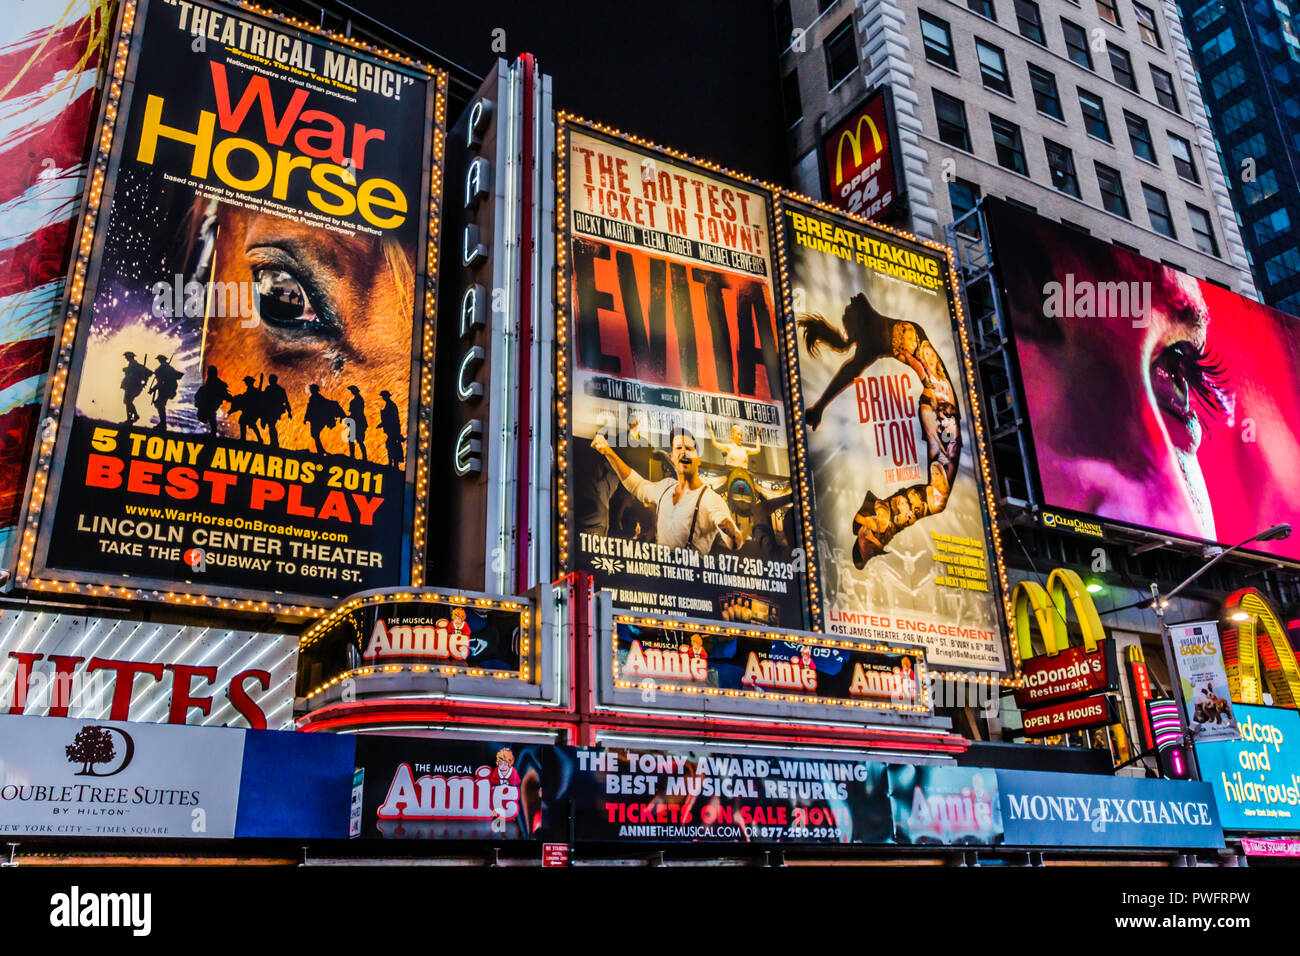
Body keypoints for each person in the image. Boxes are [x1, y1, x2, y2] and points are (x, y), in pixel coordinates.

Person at [591, 426, 743, 553]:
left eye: (689, 448)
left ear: (698, 460)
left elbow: (734, 542)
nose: (683, 451)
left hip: (691, 578)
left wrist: (731, 533)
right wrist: (609, 452)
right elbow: (638, 486)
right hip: (660, 575)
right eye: (678, 448)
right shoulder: (666, 487)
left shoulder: (710, 499)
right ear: (672, 457)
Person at [304, 384, 344, 455]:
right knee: (315, 435)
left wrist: (306, 418)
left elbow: (310, 408)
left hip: (317, 419)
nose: (311, 391)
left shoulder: (314, 398)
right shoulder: (318, 397)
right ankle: (321, 450)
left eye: (311, 389)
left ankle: (320, 450)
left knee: (314, 434)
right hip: (318, 419)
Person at [148, 355, 183, 431]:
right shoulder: (168, 367)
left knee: (159, 405)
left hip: (165, 389)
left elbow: (160, 382)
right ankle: (162, 423)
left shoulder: (162, 368)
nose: (158, 361)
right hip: (168, 389)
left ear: (160, 360)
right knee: (160, 404)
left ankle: (163, 424)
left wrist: (153, 389)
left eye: (159, 359)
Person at [193, 366, 229, 435]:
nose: (208, 373)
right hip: (209, 405)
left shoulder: (216, 383)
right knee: (211, 420)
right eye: (208, 372)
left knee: (212, 420)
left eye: (209, 372)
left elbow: (222, 391)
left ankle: (212, 435)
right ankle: (212, 434)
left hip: (211, 405)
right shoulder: (210, 382)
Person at [260, 373, 292, 448]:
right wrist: (289, 412)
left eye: (270, 380)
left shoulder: (273, 389)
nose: (270, 381)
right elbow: (263, 398)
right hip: (273, 410)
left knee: (271, 425)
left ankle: (274, 443)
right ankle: (274, 443)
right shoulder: (278, 390)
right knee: (271, 425)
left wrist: (289, 412)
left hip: (274, 410)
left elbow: (286, 401)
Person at [120, 352, 150, 426]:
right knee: (128, 402)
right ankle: (131, 418)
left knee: (128, 402)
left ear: (130, 357)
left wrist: (127, 370)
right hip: (131, 386)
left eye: (126, 356)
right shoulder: (132, 364)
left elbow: (134, 374)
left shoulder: (134, 364)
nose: (126, 358)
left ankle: (132, 418)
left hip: (132, 387)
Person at [231, 375, 264, 442]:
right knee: (247, 423)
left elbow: (257, 394)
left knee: (248, 423)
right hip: (249, 411)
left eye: (246, 382)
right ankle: (256, 438)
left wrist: (261, 381)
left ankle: (256, 438)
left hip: (251, 411)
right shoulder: (250, 390)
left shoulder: (252, 391)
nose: (245, 383)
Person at [378, 389, 404, 467]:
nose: (382, 398)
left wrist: (382, 424)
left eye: (383, 396)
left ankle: (392, 464)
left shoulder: (390, 405)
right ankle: (394, 464)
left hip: (393, 429)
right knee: (392, 445)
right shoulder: (390, 405)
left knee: (391, 445)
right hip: (393, 429)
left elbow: (390, 418)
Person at [346, 385, 368, 461]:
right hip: (358, 422)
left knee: (358, 440)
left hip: (358, 423)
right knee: (355, 440)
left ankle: (356, 457)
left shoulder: (356, 401)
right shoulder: (358, 399)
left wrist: (348, 418)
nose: (351, 392)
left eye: (352, 390)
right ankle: (361, 457)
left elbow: (355, 412)